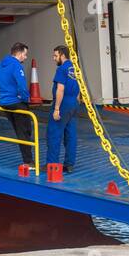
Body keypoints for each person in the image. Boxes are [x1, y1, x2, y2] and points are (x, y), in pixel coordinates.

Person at [0, 42, 34, 165]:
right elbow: (21, 85)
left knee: (19, 130)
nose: (25, 57)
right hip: (16, 102)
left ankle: (27, 158)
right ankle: (29, 161)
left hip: (4, 103)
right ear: (19, 53)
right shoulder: (16, 66)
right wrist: (26, 99)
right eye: (25, 55)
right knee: (25, 132)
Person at [47, 45, 80, 173]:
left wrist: (56, 109)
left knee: (54, 134)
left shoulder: (62, 69)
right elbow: (78, 88)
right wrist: (75, 102)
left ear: (62, 55)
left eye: (55, 56)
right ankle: (69, 165)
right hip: (73, 103)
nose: (54, 58)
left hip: (63, 104)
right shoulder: (74, 68)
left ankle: (52, 165)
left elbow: (60, 89)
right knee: (71, 135)